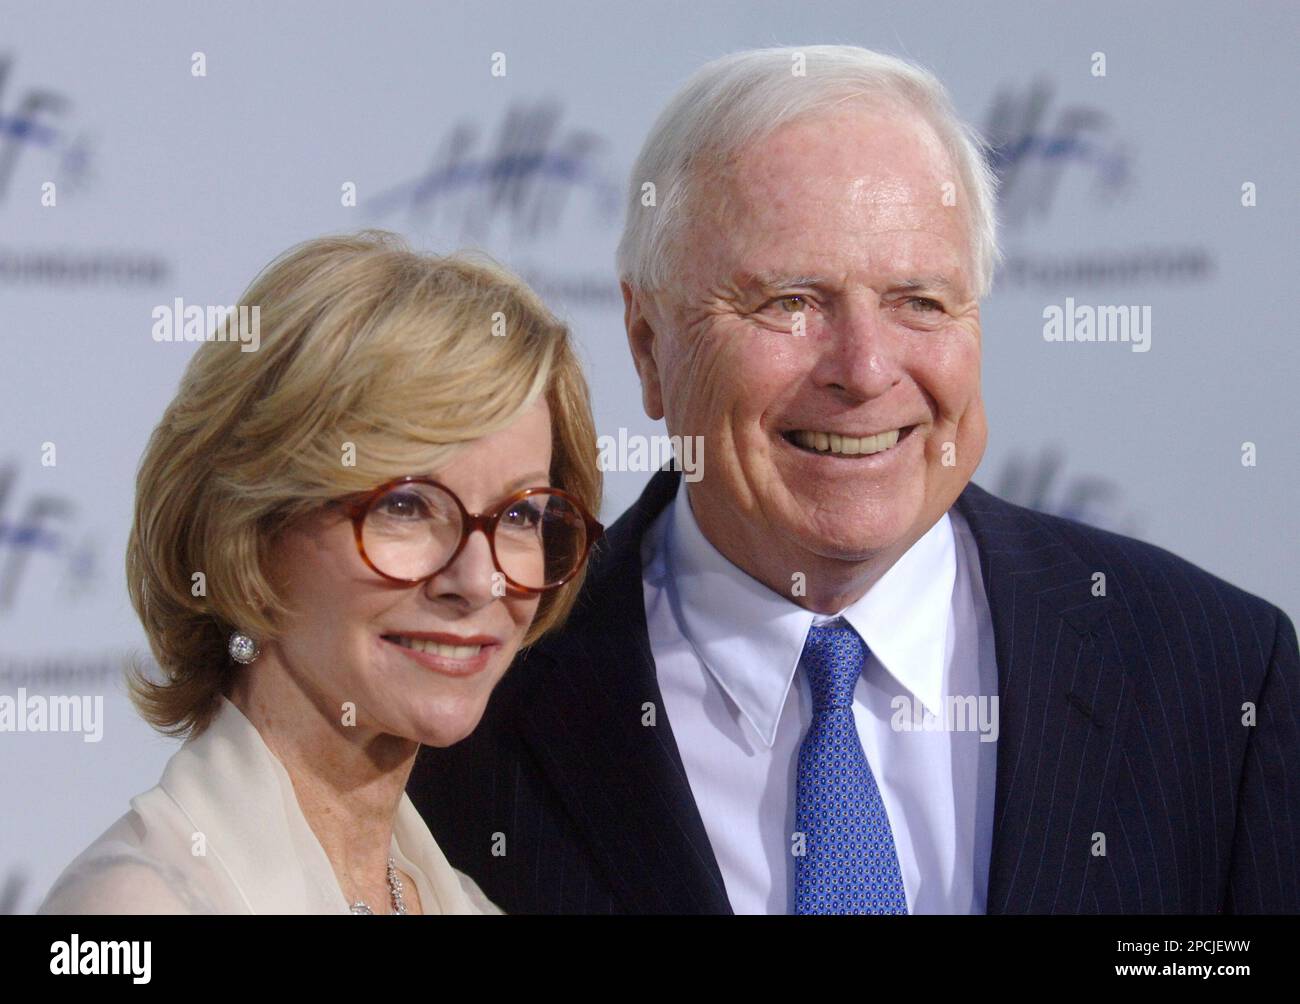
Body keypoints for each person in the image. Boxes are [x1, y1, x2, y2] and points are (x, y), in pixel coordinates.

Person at [410, 45, 1300, 914]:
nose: (865, 369)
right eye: (790, 301)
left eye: (920, 301)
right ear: (649, 344)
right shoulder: (468, 700)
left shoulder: (1217, 676)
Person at [38, 231, 603, 914]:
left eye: (519, 516)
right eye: (405, 506)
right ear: (249, 529)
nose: (478, 579)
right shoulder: (137, 906)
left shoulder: (471, 905)